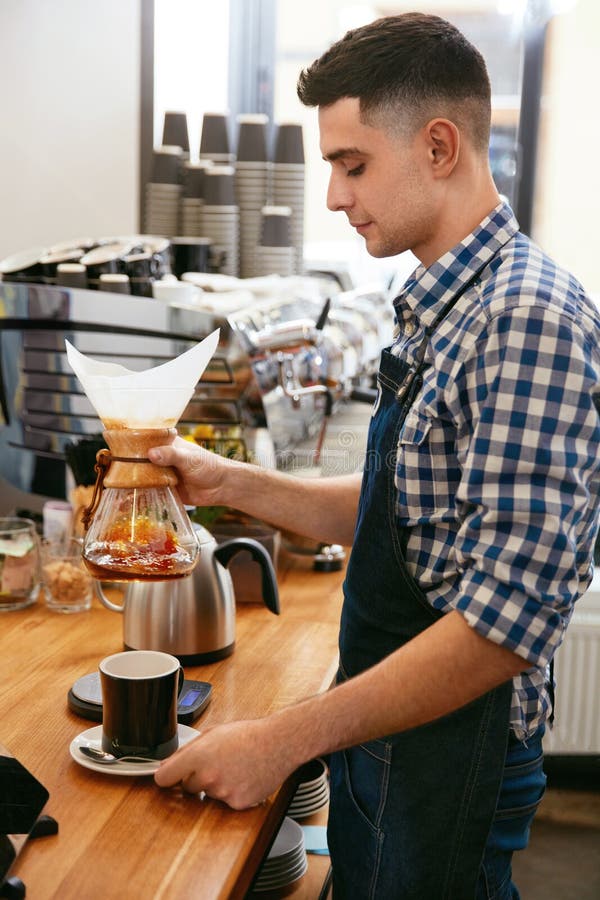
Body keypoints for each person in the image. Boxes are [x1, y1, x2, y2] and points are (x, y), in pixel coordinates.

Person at [150, 13, 600, 899]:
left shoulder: (527, 319)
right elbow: (403, 505)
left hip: (447, 759)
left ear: (439, 145)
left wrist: (284, 737)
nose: (332, 197)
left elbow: (501, 625)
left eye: (351, 165)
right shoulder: (440, 297)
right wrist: (226, 482)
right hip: (391, 737)